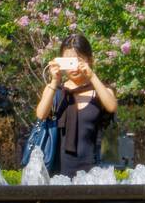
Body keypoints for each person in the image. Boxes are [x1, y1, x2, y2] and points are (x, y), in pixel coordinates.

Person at [33, 34, 118, 177]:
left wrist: (92, 76)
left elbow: (111, 106)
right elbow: (41, 114)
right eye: (68, 61)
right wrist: (54, 81)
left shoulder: (100, 91)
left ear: (89, 60)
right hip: (58, 174)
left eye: (78, 60)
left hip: (92, 173)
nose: (74, 67)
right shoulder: (55, 91)